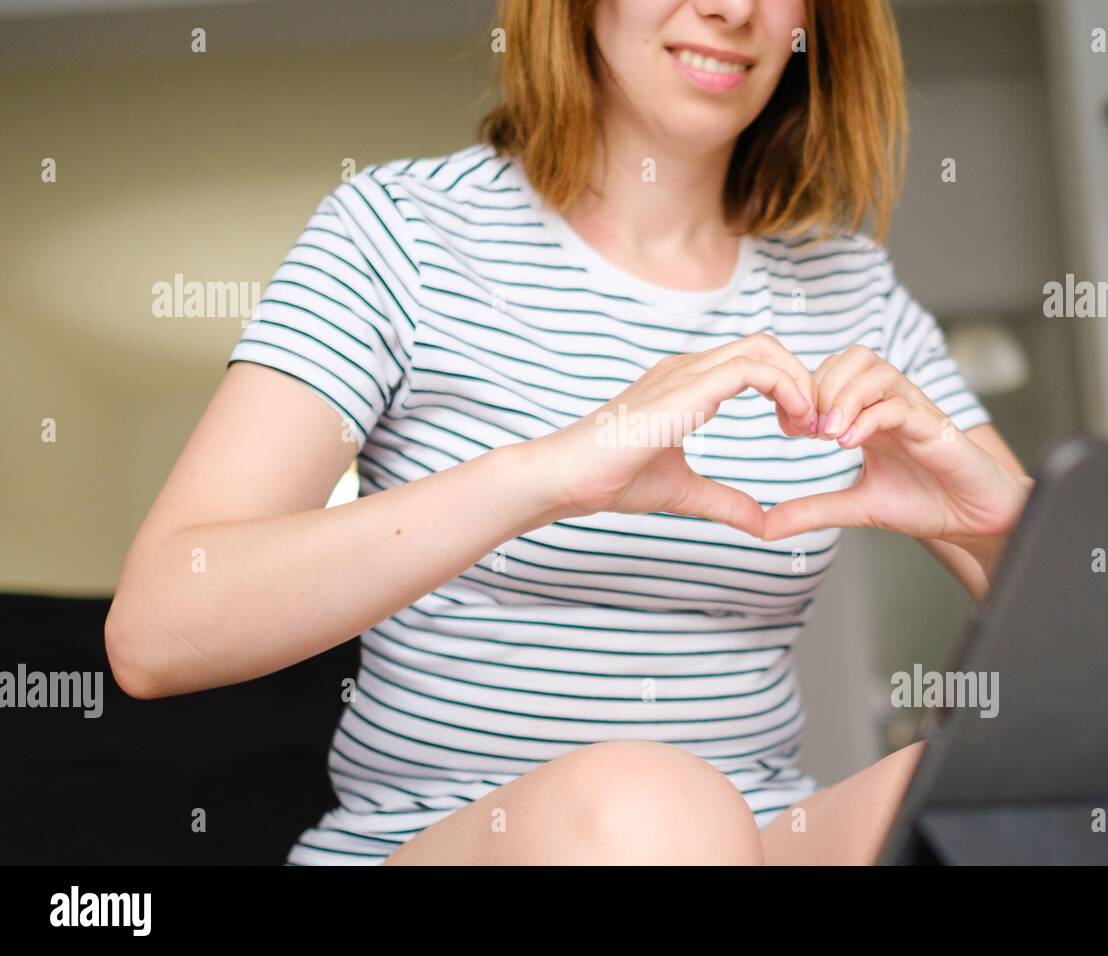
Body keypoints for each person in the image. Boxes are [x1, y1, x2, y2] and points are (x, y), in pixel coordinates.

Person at [105, 0, 1034, 865]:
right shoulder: (400, 235)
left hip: (756, 839)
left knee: (1002, 796)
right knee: (651, 807)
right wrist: (550, 475)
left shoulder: (851, 288)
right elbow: (155, 632)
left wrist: (996, 528)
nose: (735, 10)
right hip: (435, 839)